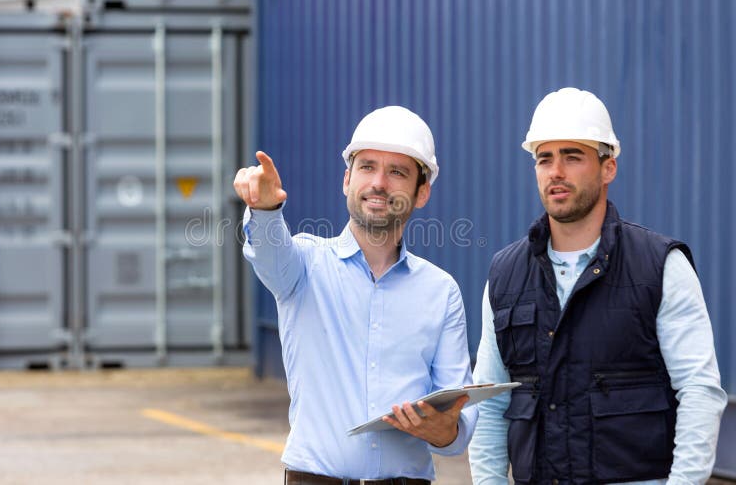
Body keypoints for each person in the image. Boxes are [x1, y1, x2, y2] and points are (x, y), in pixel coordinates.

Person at [468, 87, 728, 484]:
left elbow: (699, 393)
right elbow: (488, 406)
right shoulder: (505, 275)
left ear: (608, 168)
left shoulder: (659, 266)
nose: (556, 171)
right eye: (545, 159)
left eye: (572, 156)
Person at [234, 106, 478, 484]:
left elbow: (456, 427)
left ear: (422, 191)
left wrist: (444, 430)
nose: (379, 182)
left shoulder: (440, 292)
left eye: (397, 171)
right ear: (347, 179)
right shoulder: (302, 267)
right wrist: (265, 209)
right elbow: (268, 252)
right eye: (367, 166)